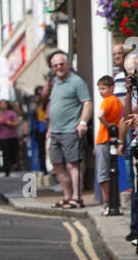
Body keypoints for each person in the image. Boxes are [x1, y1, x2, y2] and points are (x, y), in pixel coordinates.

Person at [46, 50, 92, 208]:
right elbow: (55, 107)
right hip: (56, 132)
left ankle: (77, 197)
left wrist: (83, 123)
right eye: (56, 65)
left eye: (62, 64)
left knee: (73, 165)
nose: (59, 67)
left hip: (71, 130)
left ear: (67, 65)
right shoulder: (54, 82)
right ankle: (66, 196)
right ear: (52, 67)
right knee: (57, 165)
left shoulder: (76, 81)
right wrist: (50, 128)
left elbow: (87, 102)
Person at [94, 76, 123, 214]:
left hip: (104, 140)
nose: (101, 91)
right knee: (113, 172)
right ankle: (115, 202)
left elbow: (100, 115)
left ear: (112, 88)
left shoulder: (107, 101)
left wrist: (107, 125)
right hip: (114, 140)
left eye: (104, 88)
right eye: (99, 88)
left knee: (103, 173)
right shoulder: (118, 102)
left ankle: (107, 204)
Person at [0, 99, 21, 176]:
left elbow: (17, 122)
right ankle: (6, 170)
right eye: (1, 104)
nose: (3, 105)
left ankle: (13, 164)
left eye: (4, 103)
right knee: (5, 154)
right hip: (2, 137)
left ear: (7, 105)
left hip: (12, 136)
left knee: (12, 153)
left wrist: (10, 123)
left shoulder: (11, 113)